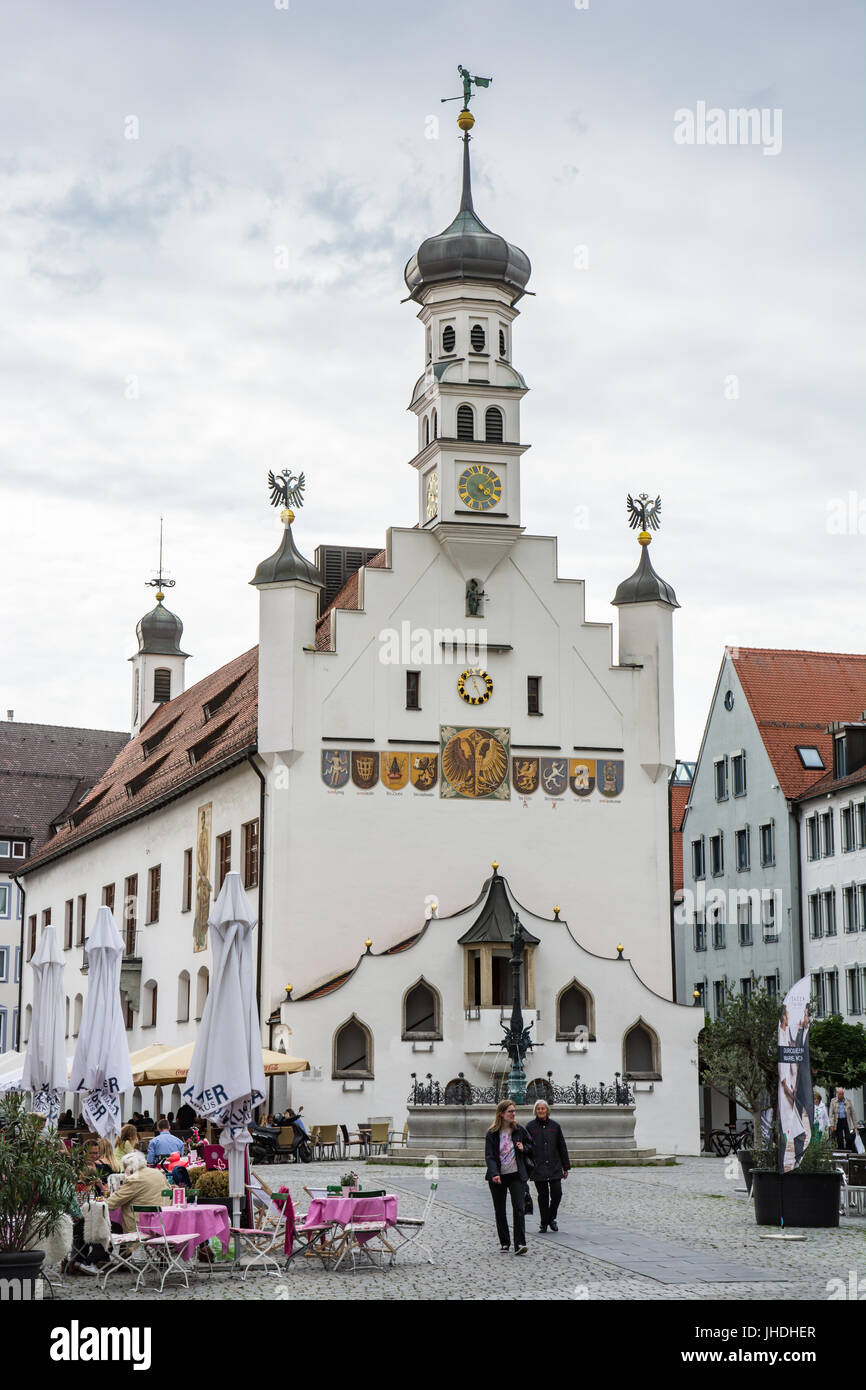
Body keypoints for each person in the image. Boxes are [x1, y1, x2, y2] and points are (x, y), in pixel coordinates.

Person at [484, 1098, 533, 1255]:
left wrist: (524, 1147)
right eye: (510, 1111)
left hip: (516, 1174)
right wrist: (494, 1173)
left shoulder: (519, 1130)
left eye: (514, 1111)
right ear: (501, 1114)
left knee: (519, 1208)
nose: (513, 1114)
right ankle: (505, 1242)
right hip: (498, 1176)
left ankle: (520, 1243)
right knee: (500, 1210)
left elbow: (532, 1146)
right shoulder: (492, 1133)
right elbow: (490, 1156)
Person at [526, 1098, 570, 1232]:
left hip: (554, 1166)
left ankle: (551, 1217)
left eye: (543, 1108)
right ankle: (544, 1222)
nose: (540, 1111)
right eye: (538, 1109)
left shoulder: (555, 1126)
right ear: (535, 1111)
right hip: (538, 1167)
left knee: (557, 1193)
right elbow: (527, 1147)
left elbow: (562, 1146)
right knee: (543, 1196)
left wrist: (566, 1166)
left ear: (547, 1110)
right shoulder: (530, 1127)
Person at [106, 1151, 170, 1234]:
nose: (124, 1171)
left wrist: (97, 1206)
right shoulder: (158, 1173)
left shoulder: (134, 1178)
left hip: (140, 1228)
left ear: (130, 1167)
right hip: (160, 1224)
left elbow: (114, 1201)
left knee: (112, 1224)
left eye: (125, 1168)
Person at [830, 1087, 857, 1152]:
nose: (841, 1095)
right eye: (839, 1094)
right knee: (840, 1139)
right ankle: (841, 1152)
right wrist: (832, 1125)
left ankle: (849, 1151)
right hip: (838, 1121)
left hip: (846, 1121)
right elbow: (831, 1114)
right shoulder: (833, 1101)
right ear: (837, 1094)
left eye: (842, 1094)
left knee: (848, 1137)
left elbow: (853, 1114)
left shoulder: (848, 1101)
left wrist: (855, 1126)